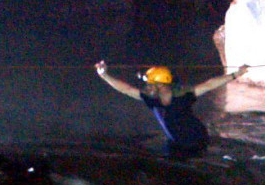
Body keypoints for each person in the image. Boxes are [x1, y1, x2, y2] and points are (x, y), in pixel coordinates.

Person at [93, 60, 249, 158]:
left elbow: (210, 84)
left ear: (161, 85)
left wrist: (236, 74)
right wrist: (104, 75)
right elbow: (126, 89)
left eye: (151, 84)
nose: (147, 87)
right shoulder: (152, 99)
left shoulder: (183, 95)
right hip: (176, 142)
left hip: (195, 140)